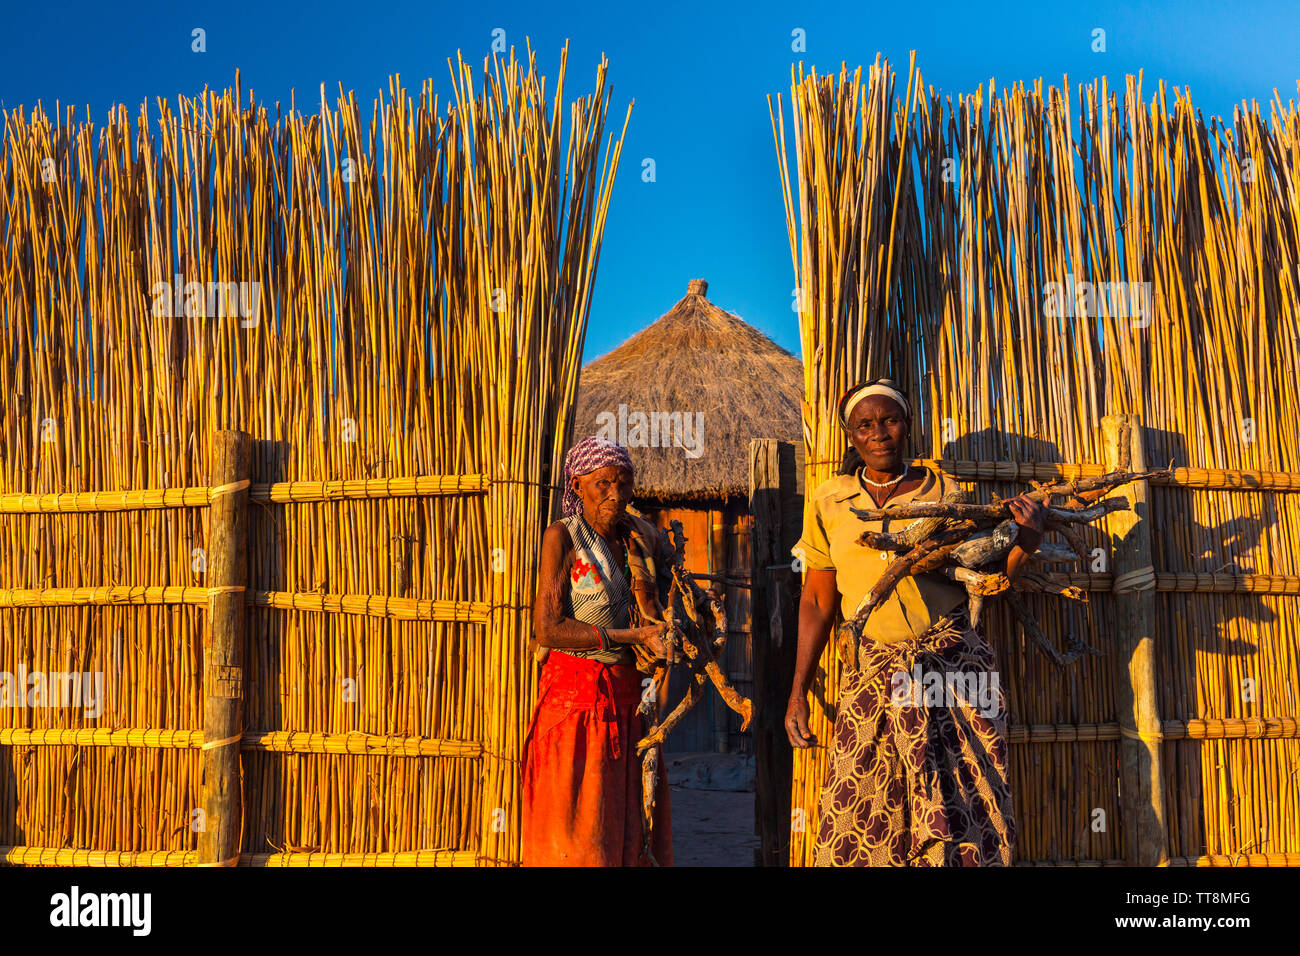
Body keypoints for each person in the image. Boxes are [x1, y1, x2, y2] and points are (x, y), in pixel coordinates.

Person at [784, 378, 1048, 866]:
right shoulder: (828, 500)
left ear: (907, 427)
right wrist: (798, 690)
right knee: (861, 805)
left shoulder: (946, 492)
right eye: (865, 425)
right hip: (872, 673)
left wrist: (1025, 543)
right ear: (850, 436)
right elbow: (819, 601)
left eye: (889, 420)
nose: (878, 432)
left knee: (964, 805)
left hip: (951, 669)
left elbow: (984, 577)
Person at [521, 435, 676, 866]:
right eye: (603, 483)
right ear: (576, 485)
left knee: (631, 828)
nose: (616, 494)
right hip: (576, 706)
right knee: (578, 831)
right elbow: (548, 629)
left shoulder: (639, 539)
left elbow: (666, 601)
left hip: (633, 705)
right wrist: (632, 639)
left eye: (624, 484)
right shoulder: (563, 537)